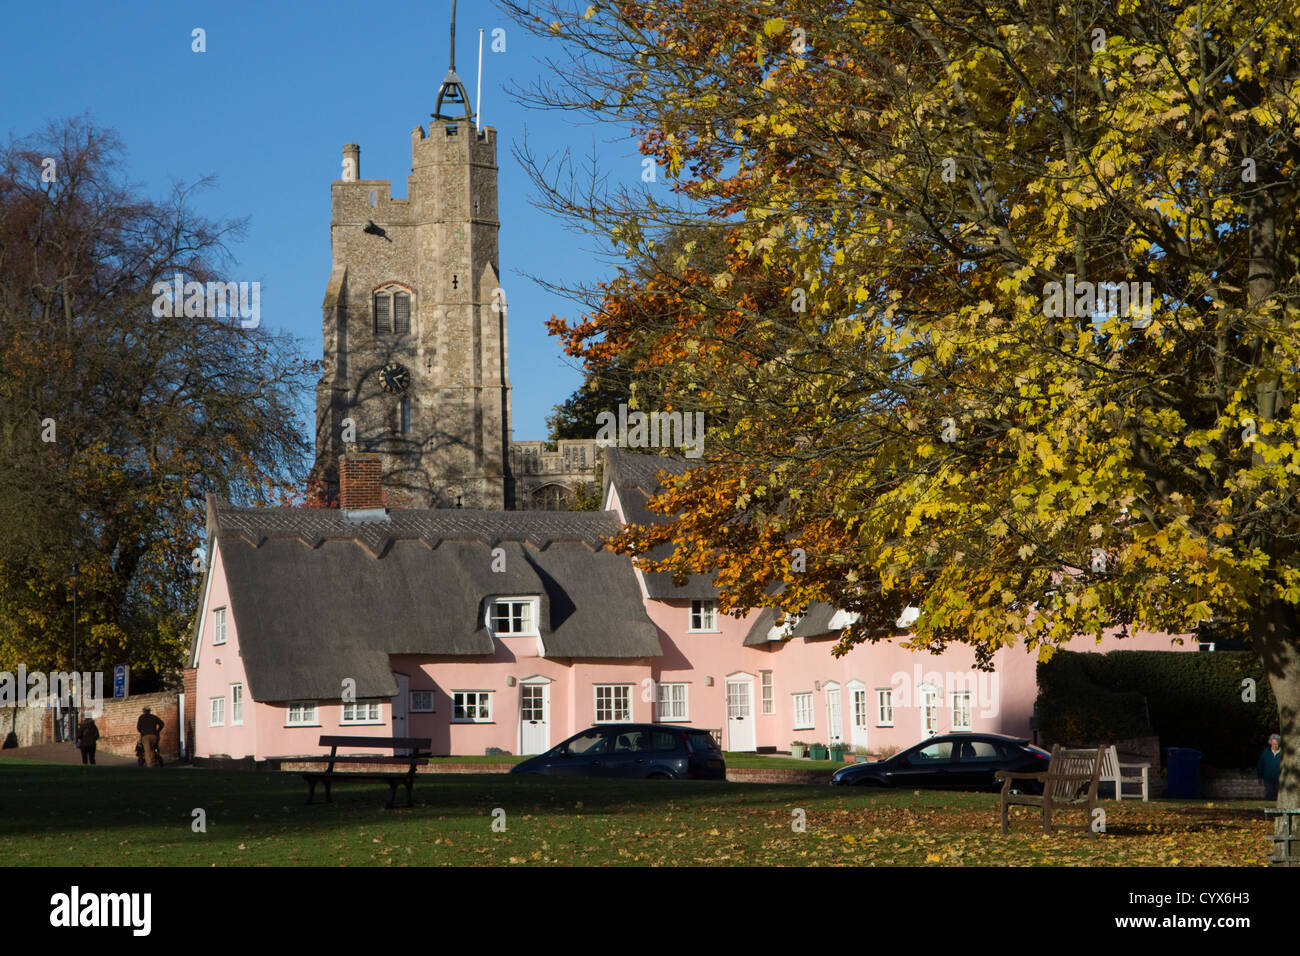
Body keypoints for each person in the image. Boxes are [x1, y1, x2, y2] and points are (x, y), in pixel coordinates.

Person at [1256, 733, 1282, 800]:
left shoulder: (1283, 753)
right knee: (1268, 794)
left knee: (1277, 795)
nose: (1274, 745)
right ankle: (1268, 807)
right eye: (1273, 744)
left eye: (1276, 744)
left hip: (1279, 779)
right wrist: (1259, 776)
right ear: (1270, 743)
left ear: (1279, 744)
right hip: (1267, 778)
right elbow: (1260, 765)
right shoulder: (1265, 752)